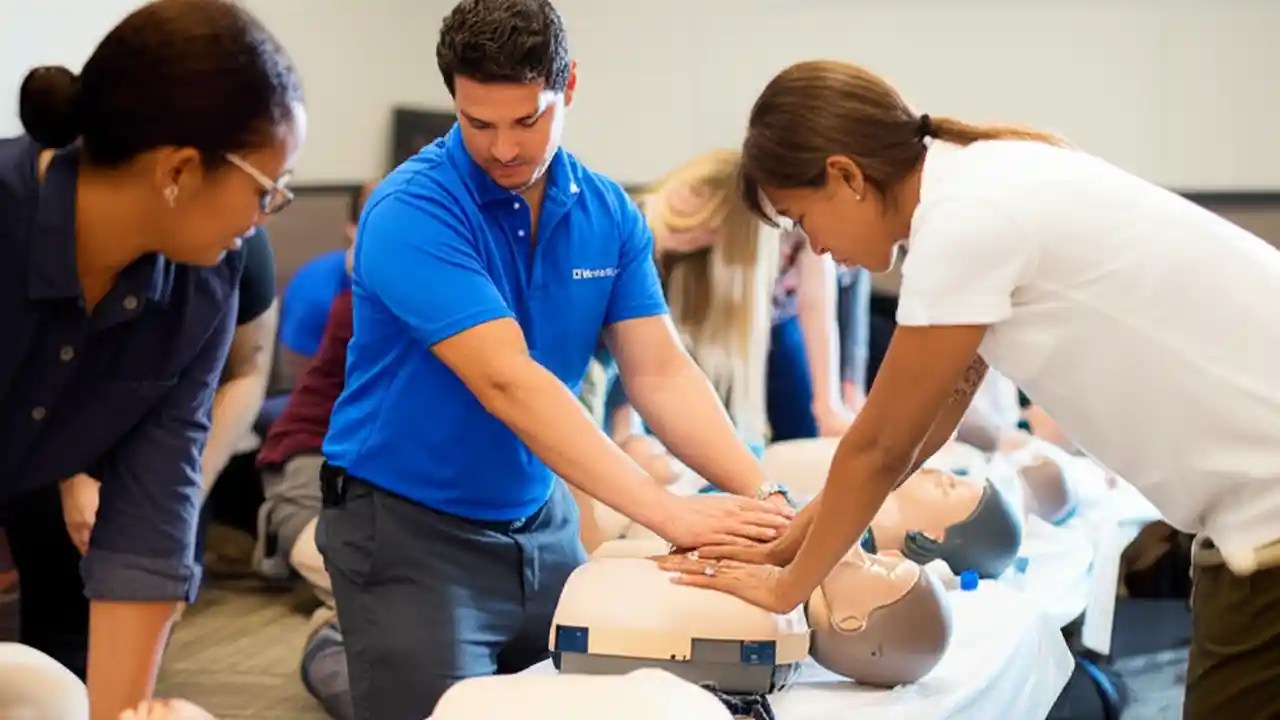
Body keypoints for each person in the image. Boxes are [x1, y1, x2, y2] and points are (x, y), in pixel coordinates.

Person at [657, 59, 1280, 719]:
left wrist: (789, 585)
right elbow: (926, 427)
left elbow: (881, 447)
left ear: (845, 176)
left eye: (802, 219)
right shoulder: (983, 172)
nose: (816, 247)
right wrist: (794, 539)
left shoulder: (965, 223)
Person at [317, 1, 791, 717]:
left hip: (541, 523)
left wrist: (768, 502)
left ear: (568, 87)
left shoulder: (609, 212)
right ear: (455, 102)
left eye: (527, 119)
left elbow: (659, 371)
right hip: (409, 530)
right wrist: (669, 513)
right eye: (480, 124)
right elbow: (507, 381)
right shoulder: (410, 211)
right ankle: (334, 656)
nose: (505, 148)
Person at [0, 0, 305, 717]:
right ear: (179, 169)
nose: (263, 217)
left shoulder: (203, 282)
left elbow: (150, 513)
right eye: (266, 189)